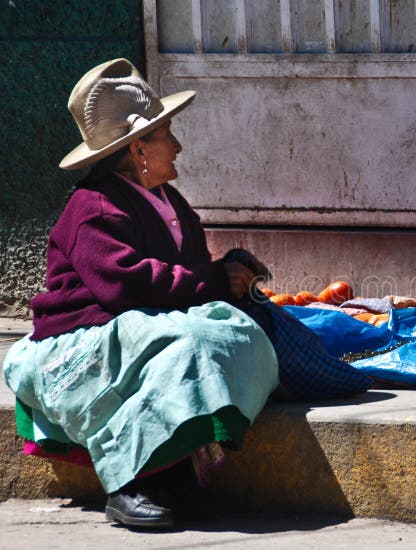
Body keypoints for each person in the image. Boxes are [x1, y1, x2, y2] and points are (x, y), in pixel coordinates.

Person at [2, 59, 287, 530]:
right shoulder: (92, 207)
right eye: (167, 134)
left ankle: (173, 480)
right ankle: (128, 482)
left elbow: (187, 272)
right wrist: (215, 280)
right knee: (184, 346)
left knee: (223, 335)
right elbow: (126, 283)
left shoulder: (171, 203)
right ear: (138, 149)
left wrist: (228, 271)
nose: (177, 146)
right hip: (85, 336)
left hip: (136, 323)